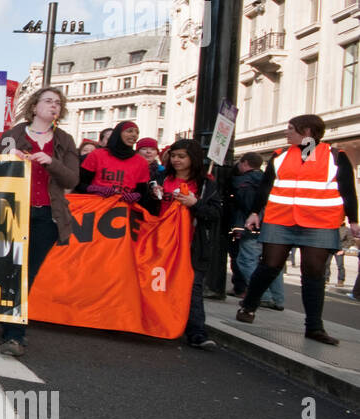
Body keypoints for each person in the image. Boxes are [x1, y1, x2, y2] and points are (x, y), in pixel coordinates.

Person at [238, 114, 360, 345]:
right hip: (280, 219)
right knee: (269, 266)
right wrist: (254, 212)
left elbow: (347, 189)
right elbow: (265, 187)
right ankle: (248, 305)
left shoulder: (335, 156)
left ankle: (314, 327)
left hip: (320, 222)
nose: (286, 132)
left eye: (291, 129)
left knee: (313, 273)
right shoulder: (280, 155)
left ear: (307, 132)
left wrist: (353, 220)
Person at [0, 86, 80, 357]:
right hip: (13, 211)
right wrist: (9, 159)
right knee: (9, 269)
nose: (54, 106)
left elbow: (72, 178)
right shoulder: (13, 135)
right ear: (34, 106)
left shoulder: (65, 140)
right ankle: (8, 321)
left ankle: (14, 334)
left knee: (26, 273)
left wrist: (51, 162)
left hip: (46, 216)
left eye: (58, 103)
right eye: (48, 101)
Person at [152, 139, 222, 350]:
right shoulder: (160, 178)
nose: (176, 160)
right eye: (173, 156)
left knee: (193, 286)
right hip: (160, 242)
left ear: (193, 158)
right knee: (157, 284)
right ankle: (155, 323)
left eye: (181, 156)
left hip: (191, 244)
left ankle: (197, 333)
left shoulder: (206, 184)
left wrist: (195, 204)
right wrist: (152, 195)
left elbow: (215, 214)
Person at [230, 152, 284, 309]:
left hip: (252, 225)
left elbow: (247, 203)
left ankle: (263, 296)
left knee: (246, 260)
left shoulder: (245, 181)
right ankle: (278, 298)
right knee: (271, 263)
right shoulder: (267, 178)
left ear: (245, 163)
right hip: (272, 224)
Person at [78, 120, 152, 201]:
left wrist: (137, 195)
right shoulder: (97, 155)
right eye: (129, 131)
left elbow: (143, 191)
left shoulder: (141, 162)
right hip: (96, 204)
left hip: (125, 206)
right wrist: (96, 189)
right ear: (118, 133)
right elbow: (79, 184)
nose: (134, 135)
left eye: (137, 132)